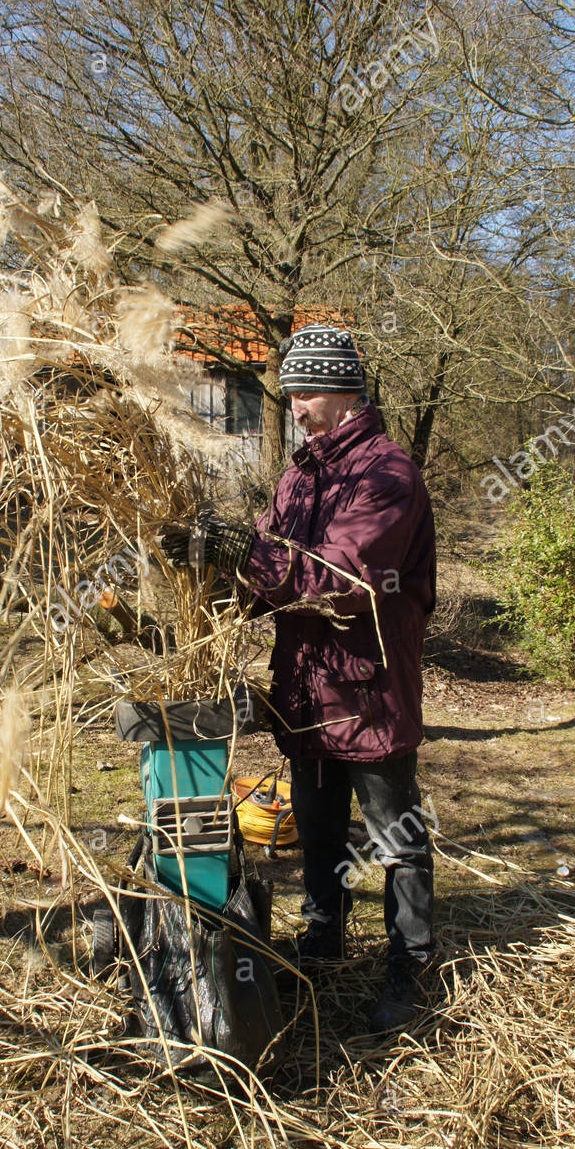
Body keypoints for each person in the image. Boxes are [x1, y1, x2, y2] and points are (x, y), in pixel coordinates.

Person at [162, 325, 436, 1033]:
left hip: (368, 689)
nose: (295, 404)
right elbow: (266, 578)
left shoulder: (386, 476)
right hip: (309, 692)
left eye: (305, 390)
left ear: (347, 391)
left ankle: (411, 967)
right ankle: (322, 944)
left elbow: (337, 581)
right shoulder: (299, 475)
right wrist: (206, 570)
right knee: (316, 831)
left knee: (393, 837)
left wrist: (244, 552)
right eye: (290, 390)